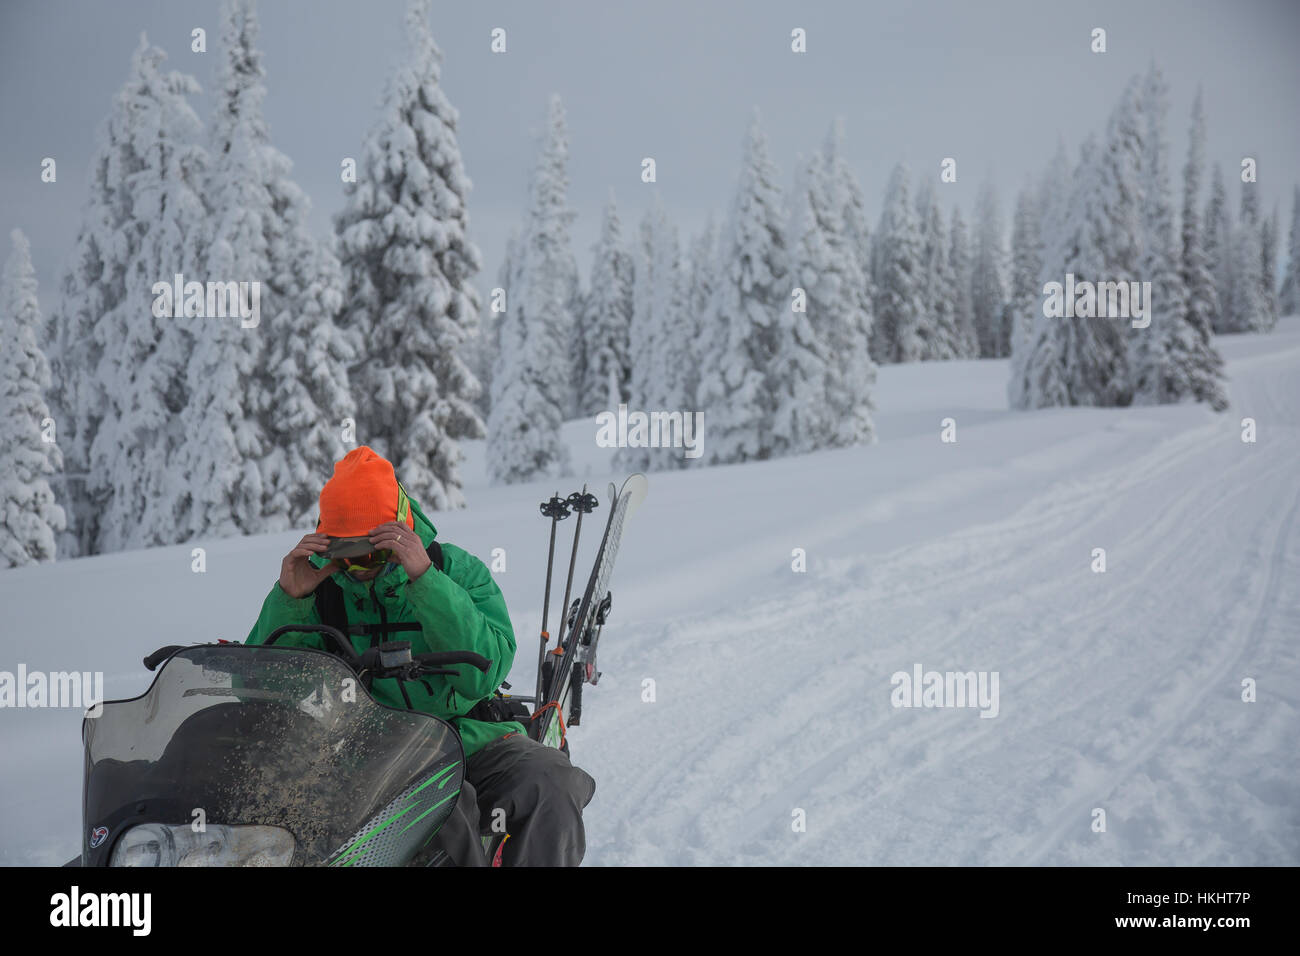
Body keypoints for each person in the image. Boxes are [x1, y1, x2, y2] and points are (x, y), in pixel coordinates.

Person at [245, 446, 595, 866]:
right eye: (348, 557)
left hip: (464, 737)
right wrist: (291, 599)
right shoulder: (317, 590)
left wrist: (425, 580)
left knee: (550, 782)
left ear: (400, 530)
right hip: (359, 754)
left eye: (372, 553)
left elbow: (484, 673)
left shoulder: (455, 571)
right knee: (442, 804)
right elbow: (261, 695)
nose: (361, 568)